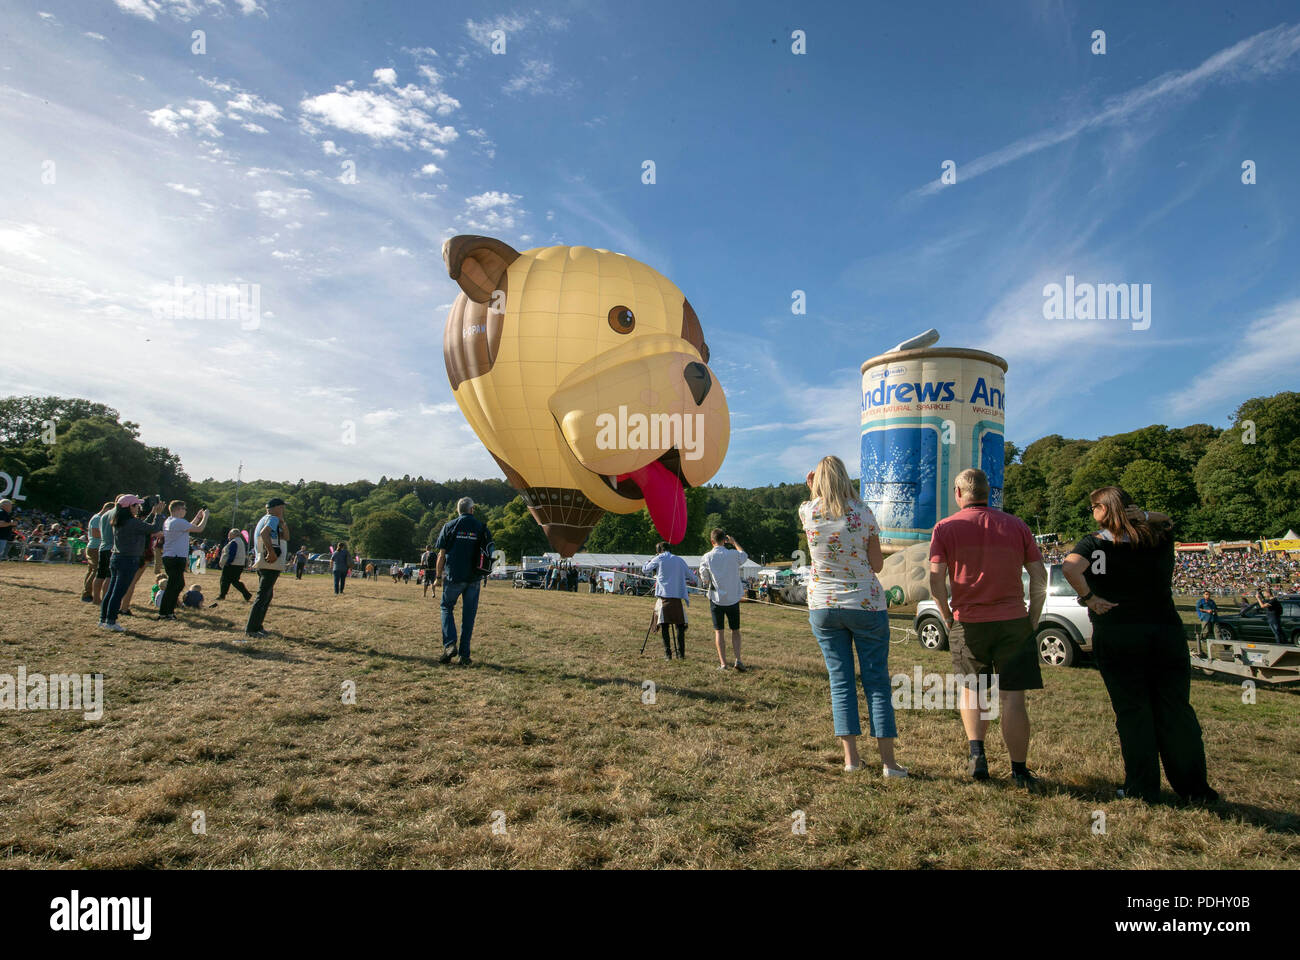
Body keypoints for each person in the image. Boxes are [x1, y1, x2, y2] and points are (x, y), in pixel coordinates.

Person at [1063, 487, 1218, 805]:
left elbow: (1070, 567)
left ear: (1104, 510)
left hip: (1119, 632)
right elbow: (1168, 521)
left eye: (1094, 507)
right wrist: (1146, 516)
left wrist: (1090, 598)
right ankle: (1194, 789)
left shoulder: (1096, 543)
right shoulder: (1157, 537)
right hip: (1164, 631)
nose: (1092, 512)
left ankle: (1142, 788)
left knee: (1133, 712)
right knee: (1176, 710)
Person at [929, 467, 1046, 789]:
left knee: (972, 690)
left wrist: (945, 614)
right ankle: (1020, 770)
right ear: (989, 492)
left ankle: (977, 755)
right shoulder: (1017, 525)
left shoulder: (945, 528)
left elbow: (935, 578)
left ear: (958, 493)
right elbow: (1039, 576)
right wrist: (1033, 616)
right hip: (1013, 621)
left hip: (969, 622)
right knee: (1013, 698)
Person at [800, 456, 906, 777]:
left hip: (823, 606)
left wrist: (812, 486)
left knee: (840, 682)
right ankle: (888, 763)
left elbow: (811, 496)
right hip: (865, 605)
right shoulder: (863, 513)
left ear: (817, 481)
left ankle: (851, 760)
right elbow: (877, 565)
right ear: (847, 478)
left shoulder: (808, 512)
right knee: (876, 682)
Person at [434, 497, 491, 665]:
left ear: (459, 510)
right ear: (472, 510)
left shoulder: (449, 526)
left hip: (454, 576)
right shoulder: (481, 527)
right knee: (469, 616)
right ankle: (464, 656)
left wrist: (438, 577)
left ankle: (450, 644)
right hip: (474, 577)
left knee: (446, 607)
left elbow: (441, 555)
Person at [101, 495, 168, 631]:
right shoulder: (132, 522)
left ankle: (104, 619)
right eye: (136, 505)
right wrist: (158, 515)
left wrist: (153, 513)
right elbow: (153, 528)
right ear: (129, 507)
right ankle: (111, 621)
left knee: (112, 591)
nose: (138, 508)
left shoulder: (121, 520)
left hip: (117, 557)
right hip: (128, 560)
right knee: (118, 592)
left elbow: (144, 526)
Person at [698, 528, 748, 671]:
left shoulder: (707, 557)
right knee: (735, 630)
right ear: (724, 540)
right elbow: (744, 555)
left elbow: (705, 578)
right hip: (732, 598)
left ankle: (723, 663)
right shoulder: (733, 554)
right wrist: (734, 543)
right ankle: (738, 660)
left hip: (716, 599)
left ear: (712, 541)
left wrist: (707, 579)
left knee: (719, 631)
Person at [244, 498, 290, 641]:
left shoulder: (266, 519)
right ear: (276, 508)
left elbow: (286, 537)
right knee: (263, 595)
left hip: (264, 561)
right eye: (282, 508)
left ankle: (258, 626)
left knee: (266, 595)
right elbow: (265, 534)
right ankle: (252, 628)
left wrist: (283, 523)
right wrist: (271, 552)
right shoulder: (272, 519)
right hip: (270, 561)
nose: (283, 510)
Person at [643, 542, 696, 660]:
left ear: (659, 550)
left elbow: (645, 569)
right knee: (680, 627)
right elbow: (692, 576)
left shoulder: (659, 558)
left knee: (665, 626)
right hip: (677, 600)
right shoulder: (679, 560)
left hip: (664, 599)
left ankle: (668, 654)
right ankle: (681, 654)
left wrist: (649, 560)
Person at [158, 501, 209, 621]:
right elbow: (199, 529)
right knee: (173, 586)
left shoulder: (171, 521)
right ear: (177, 509)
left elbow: (189, 527)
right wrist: (206, 516)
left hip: (172, 556)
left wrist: (197, 517)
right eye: (184, 508)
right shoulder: (178, 522)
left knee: (178, 584)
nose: (185, 510)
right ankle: (165, 613)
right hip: (175, 557)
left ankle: (168, 611)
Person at [217, 528, 253, 602]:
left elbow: (232, 553)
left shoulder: (234, 542)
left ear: (234, 534)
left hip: (232, 564)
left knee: (224, 580)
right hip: (239, 565)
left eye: (229, 534)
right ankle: (247, 594)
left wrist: (228, 562)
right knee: (235, 581)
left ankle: (222, 595)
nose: (228, 536)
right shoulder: (240, 541)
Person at [89, 501, 115, 605]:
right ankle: (104, 600)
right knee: (108, 575)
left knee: (100, 574)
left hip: (102, 547)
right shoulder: (100, 517)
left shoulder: (102, 517)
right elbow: (95, 533)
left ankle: (96, 599)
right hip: (108, 547)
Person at [80, 503, 105, 602]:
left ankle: (87, 592)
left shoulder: (95, 517)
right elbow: (95, 533)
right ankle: (87, 594)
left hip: (93, 547)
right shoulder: (98, 518)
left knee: (91, 571)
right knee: (96, 571)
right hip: (95, 548)